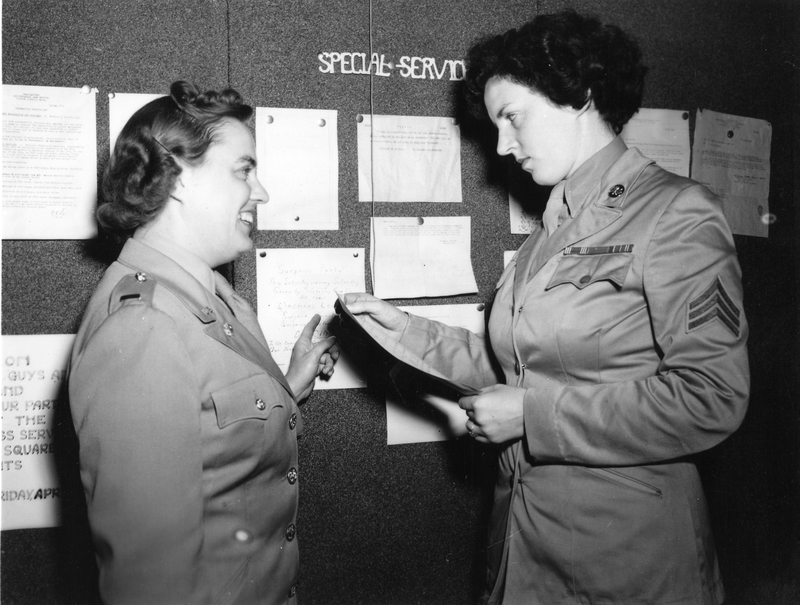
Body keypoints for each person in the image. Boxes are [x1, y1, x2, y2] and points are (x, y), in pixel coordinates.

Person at [344, 10, 749, 605]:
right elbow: (523, 374)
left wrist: (533, 417)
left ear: (580, 95)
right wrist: (408, 331)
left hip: (629, 562)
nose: (503, 147)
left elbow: (711, 398)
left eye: (512, 117)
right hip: (526, 551)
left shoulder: (677, 213)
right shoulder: (548, 231)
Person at [68, 81, 338, 605]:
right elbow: (149, 586)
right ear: (177, 176)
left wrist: (288, 386)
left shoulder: (214, 295)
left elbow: (212, 432)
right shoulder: (141, 329)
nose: (260, 192)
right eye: (244, 169)